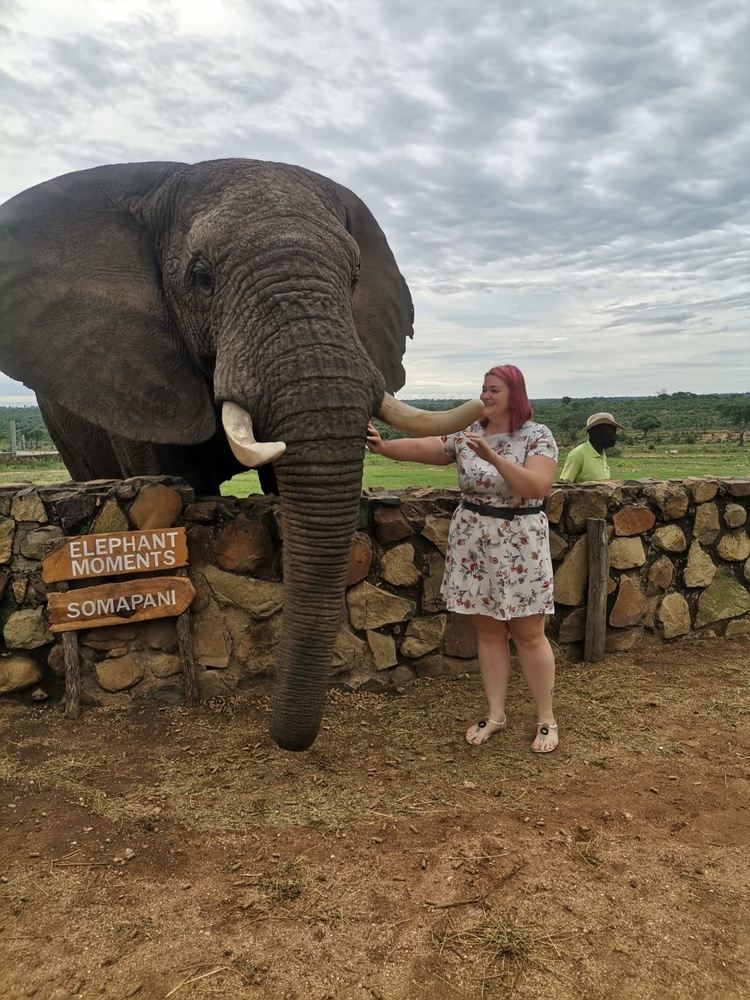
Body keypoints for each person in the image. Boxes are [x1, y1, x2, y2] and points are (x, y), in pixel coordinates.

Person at [366, 364, 560, 753]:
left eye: (494, 390)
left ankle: (545, 719)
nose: (485, 396)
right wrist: (384, 446)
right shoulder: (467, 434)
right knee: (487, 633)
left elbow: (536, 484)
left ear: (515, 395)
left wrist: (493, 457)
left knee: (527, 634)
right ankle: (495, 715)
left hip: (520, 545)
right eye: (483, 389)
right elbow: (427, 447)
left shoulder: (536, 436)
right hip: (474, 545)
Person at [558, 412, 622, 482]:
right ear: (598, 432)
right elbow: (564, 487)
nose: (615, 436)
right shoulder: (578, 454)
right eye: (612, 432)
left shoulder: (602, 454)